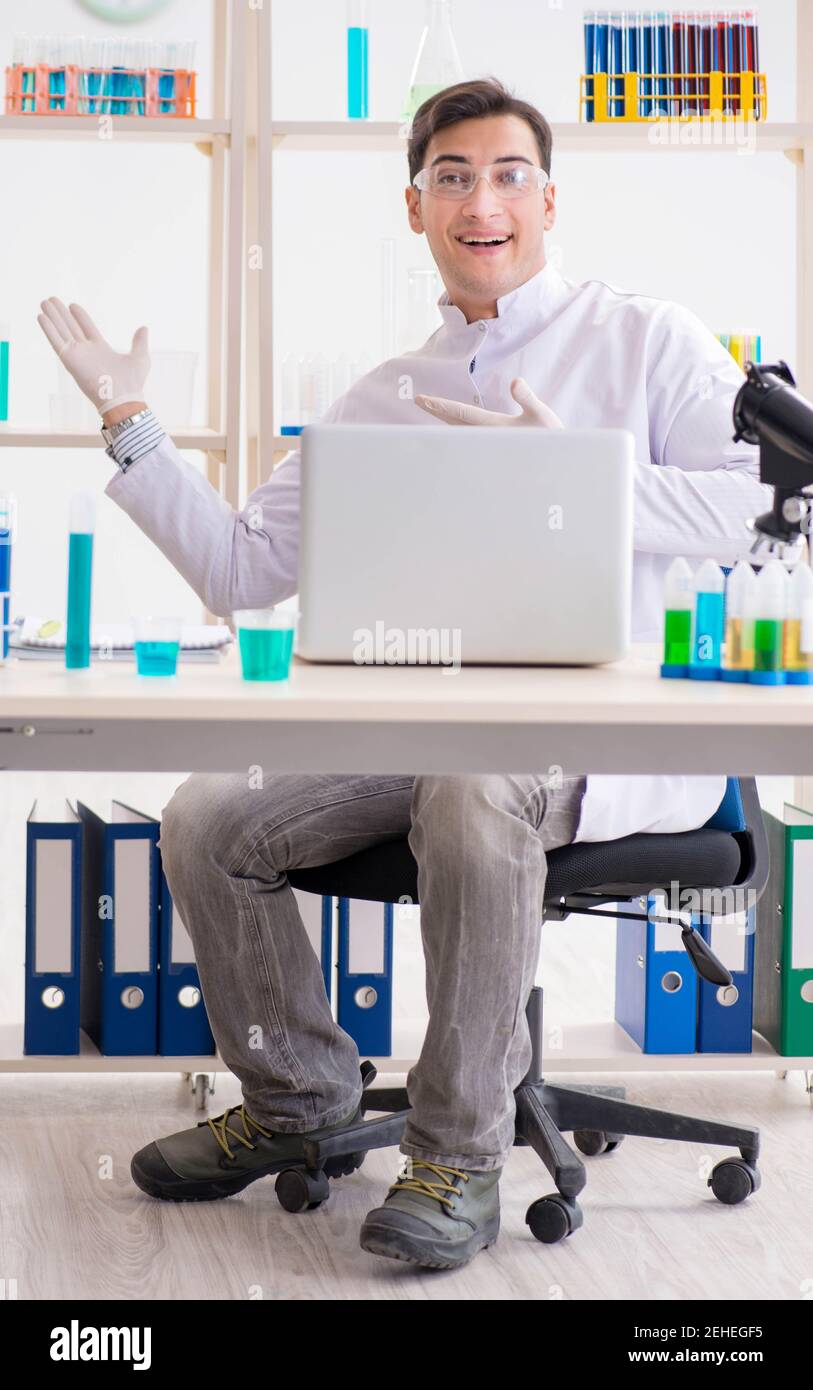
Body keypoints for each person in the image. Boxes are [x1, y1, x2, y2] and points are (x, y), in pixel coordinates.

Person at [38, 77, 770, 1272]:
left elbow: (770, 506)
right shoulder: (383, 396)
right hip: (430, 734)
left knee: (470, 791)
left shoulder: (650, 340)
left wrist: (579, 478)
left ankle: (459, 1153)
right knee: (211, 812)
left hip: (606, 744)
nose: (482, 198)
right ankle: (298, 1100)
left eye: (507, 173)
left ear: (549, 197)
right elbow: (239, 569)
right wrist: (130, 420)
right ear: (417, 206)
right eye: (451, 176)